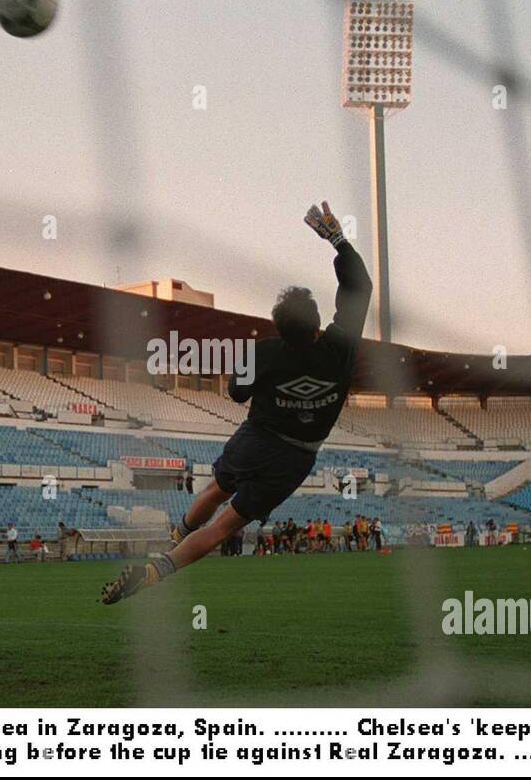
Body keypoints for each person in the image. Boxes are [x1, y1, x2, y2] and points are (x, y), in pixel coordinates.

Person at [101, 201, 371, 603]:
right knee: (225, 526)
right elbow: (359, 288)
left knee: (215, 489)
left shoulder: (265, 352)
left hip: (257, 439)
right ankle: (160, 569)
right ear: (318, 324)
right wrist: (336, 238)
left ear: (279, 326)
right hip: (297, 458)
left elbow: (236, 392)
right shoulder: (341, 347)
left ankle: (175, 535)